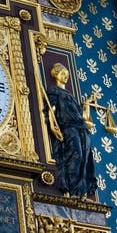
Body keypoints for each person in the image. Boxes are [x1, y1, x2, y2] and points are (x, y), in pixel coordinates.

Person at [46, 63, 96, 199]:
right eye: (63, 74)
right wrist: (52, 126)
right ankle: (73, 190)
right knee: (76, 156)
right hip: (68, 127)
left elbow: (83, 118)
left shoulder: (71, 96)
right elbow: (52, 110)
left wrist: (86, 104)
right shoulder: (54, 91)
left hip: (81, 128)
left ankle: (82, 192)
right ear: (56, 74)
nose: (66, 76)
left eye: (67, 75)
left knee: (85, 159)